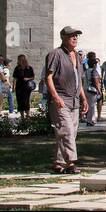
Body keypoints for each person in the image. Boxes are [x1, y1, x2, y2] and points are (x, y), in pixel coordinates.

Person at [45, 26, 87, 174]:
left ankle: (58, 163)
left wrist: (83, 98)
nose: (75, 38)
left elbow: (78, 79)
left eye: (76, 35)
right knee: (66, 131)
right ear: (63, 37)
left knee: (69, 133)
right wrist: (55, 97)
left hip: (74, 100)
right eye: (71, 36)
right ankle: (71, 163)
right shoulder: (55, 54)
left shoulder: (77, 55)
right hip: (61, 99)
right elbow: (48, 77)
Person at [83, 51, 102, 126]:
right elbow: (96, 82)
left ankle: (88, 119)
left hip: (85, 89)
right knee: (92, 106)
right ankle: (91, 120)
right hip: (92, 90)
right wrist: (99, 90)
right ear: (94, 64)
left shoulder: (86, 71)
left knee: (88, 105)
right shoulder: (94, 71)